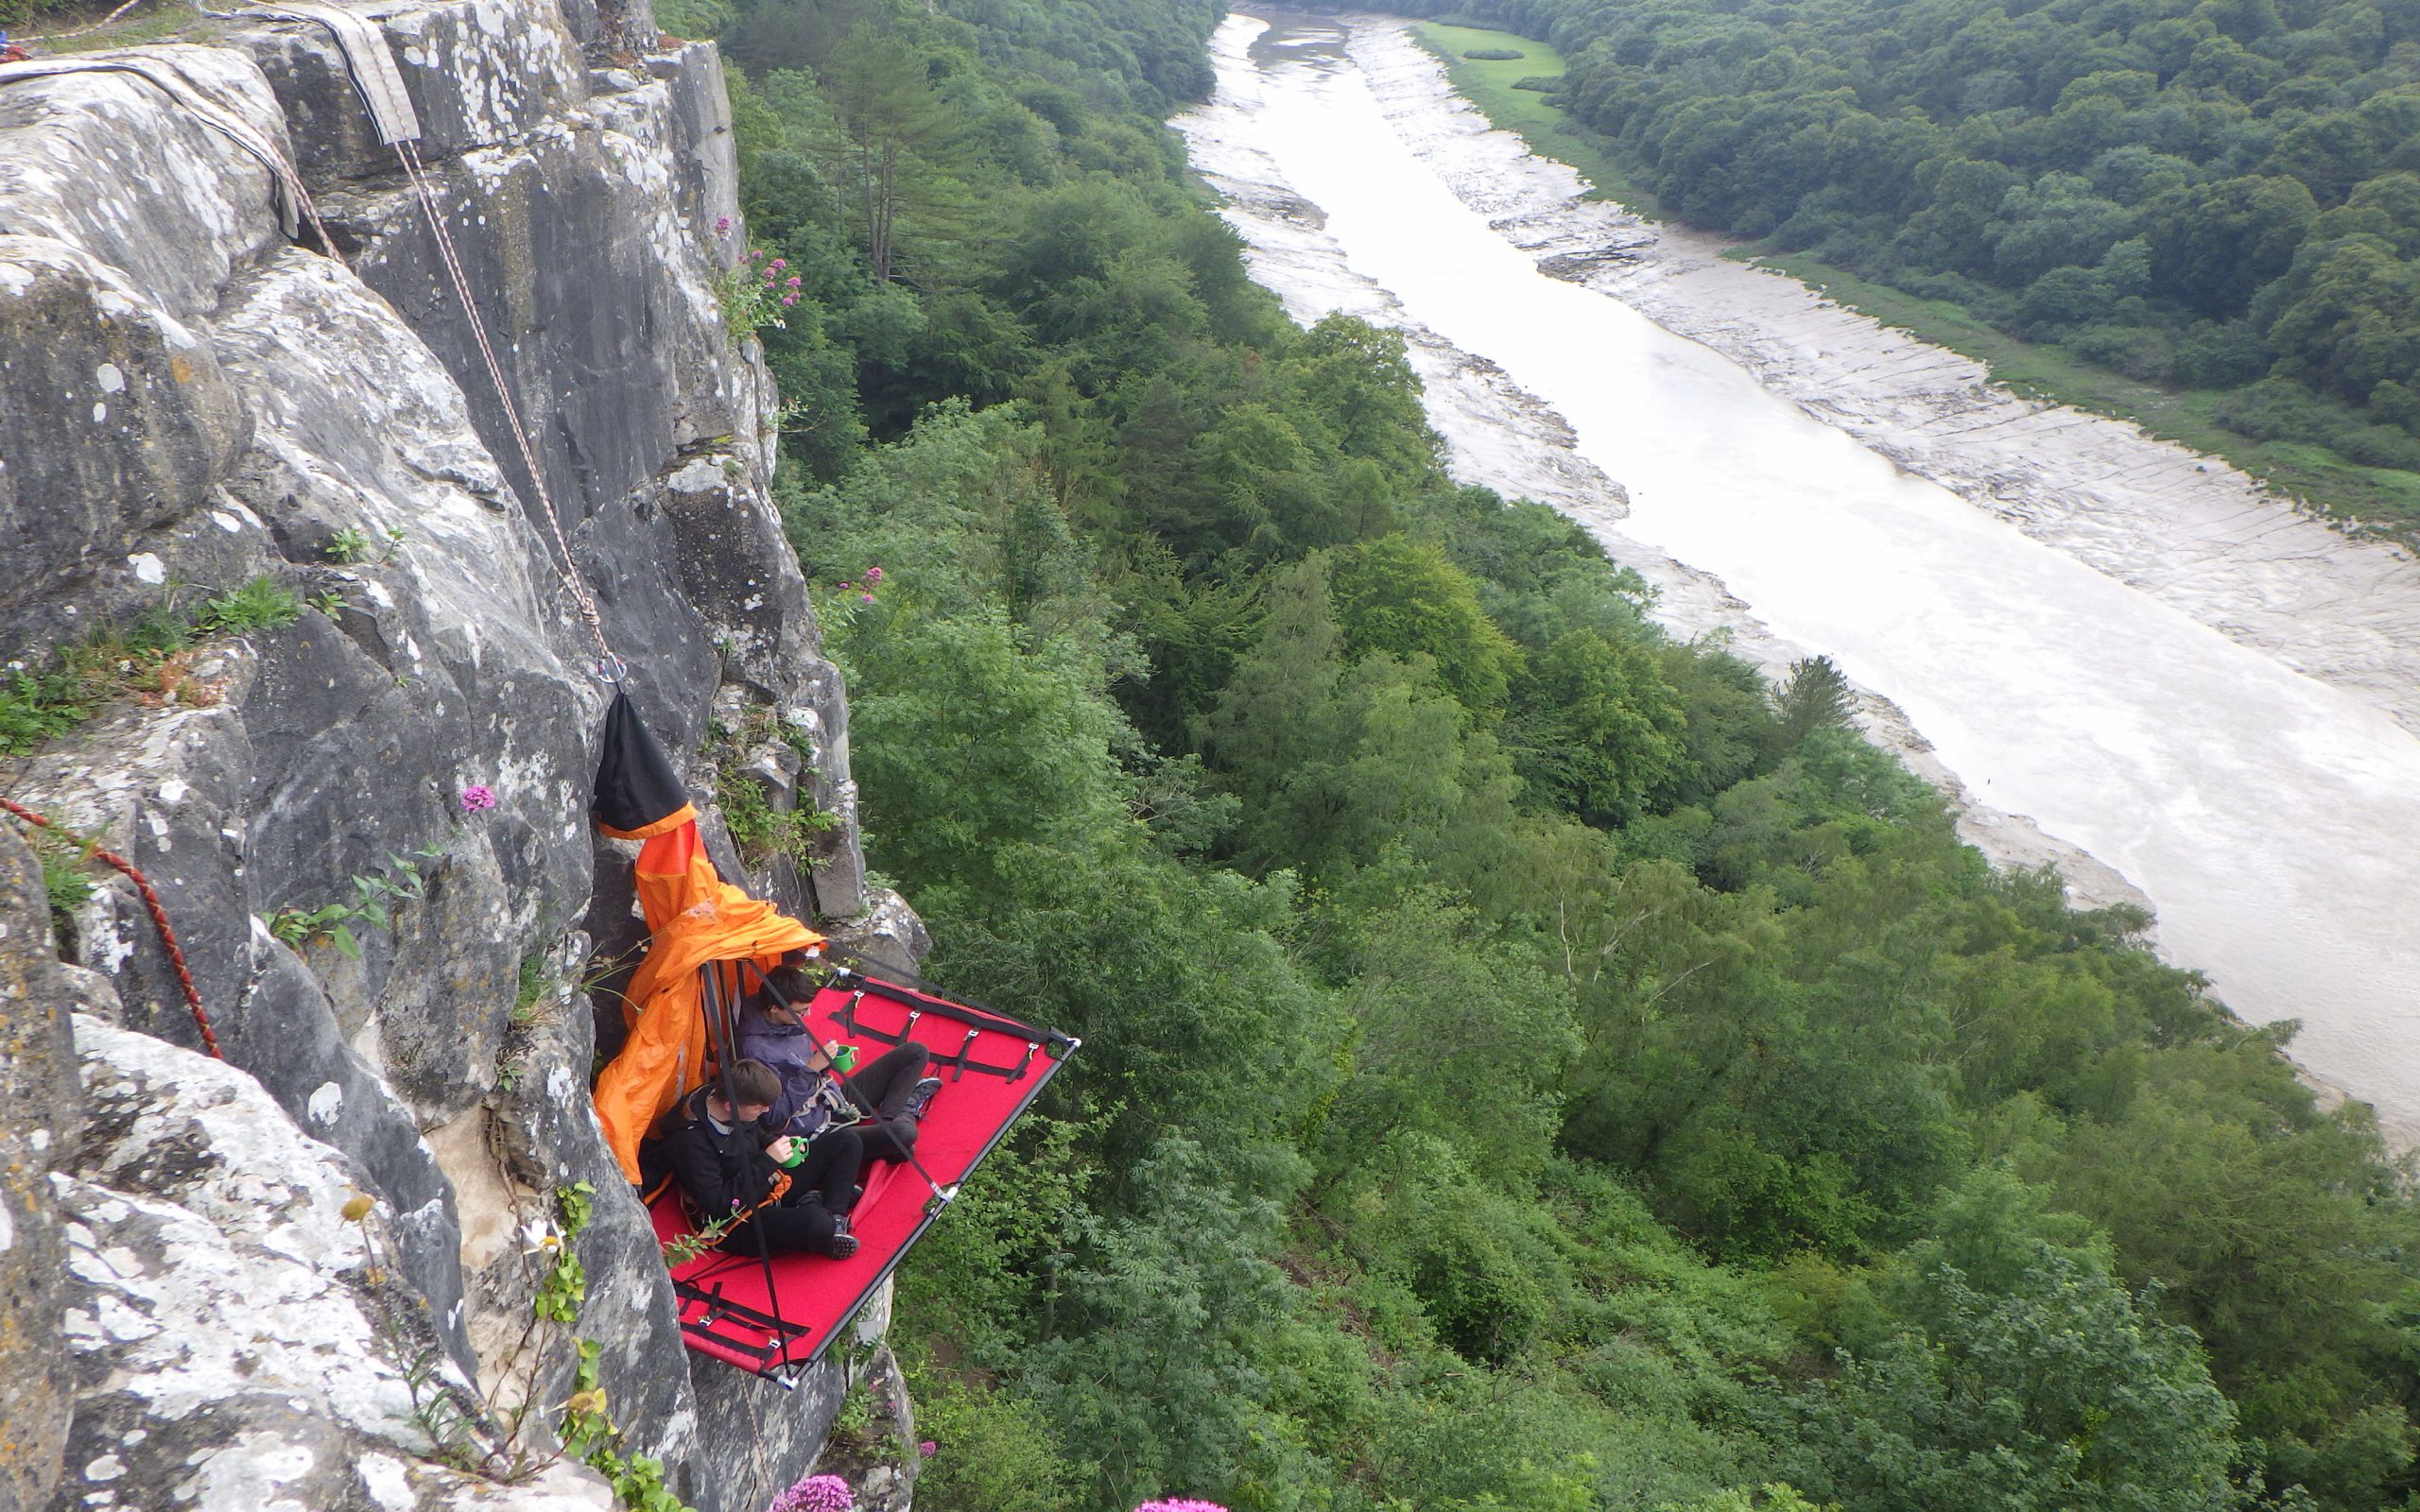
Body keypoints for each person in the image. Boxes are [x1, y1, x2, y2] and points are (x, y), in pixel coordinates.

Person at [737, 959, 942, 1165]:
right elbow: (772, 1118)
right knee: (903, 1134)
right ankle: (902, 1116)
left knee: (916, 1052)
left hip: (834, 1102)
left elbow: (800, 1065)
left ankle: (887, 1123)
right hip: (814, 1131)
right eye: (801, 1011)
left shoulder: (787, 1020)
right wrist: (811, 1069)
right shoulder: (754, 1050)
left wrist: (826, 1062)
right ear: (774, 1008)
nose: (807, 1015)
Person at [659, 1058, 861, 1260]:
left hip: (766, 1180)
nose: (765, 1111)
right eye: (759, 1108)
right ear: (730, 1107)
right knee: (817, 1223)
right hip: (736, 1219)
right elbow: (719, 1205)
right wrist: (768, 1160)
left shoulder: (727, 1095)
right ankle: (822, 1217)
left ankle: (835, 1218)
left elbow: (756, 1133)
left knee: (847, 1141)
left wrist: (779, 1145)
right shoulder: (690, 1142)